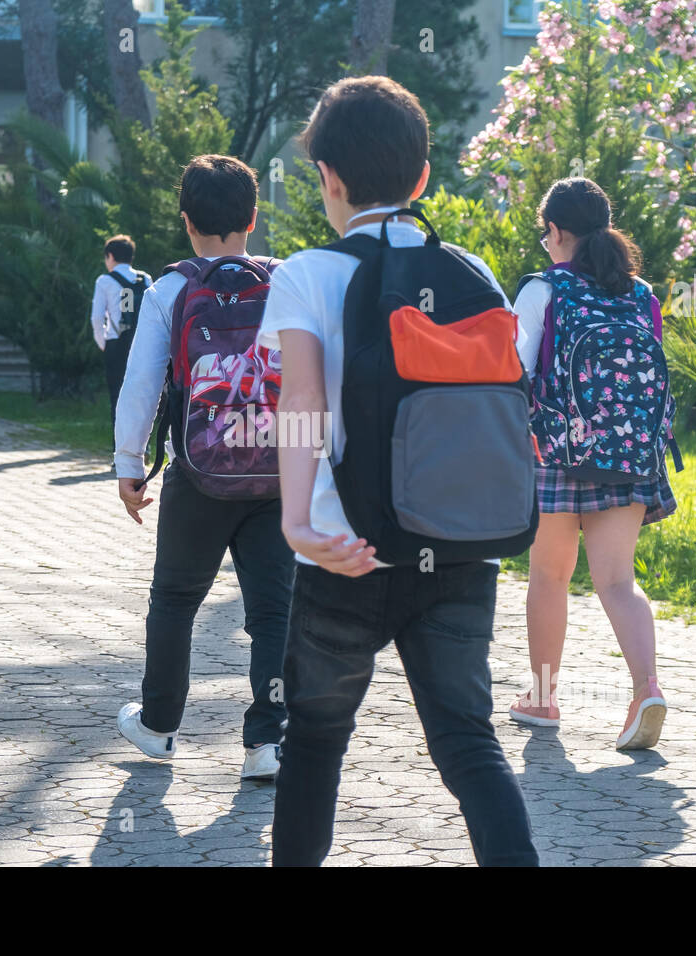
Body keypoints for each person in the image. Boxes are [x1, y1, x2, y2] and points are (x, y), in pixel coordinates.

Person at [257, 76, 539, 866]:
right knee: (469, 747)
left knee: (313, 743)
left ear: (328, 179)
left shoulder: (308, 273)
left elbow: (303, 401)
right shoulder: (472, 270)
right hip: (458, 547)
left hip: (346, 550)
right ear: (422, 179)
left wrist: (295, 522)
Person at [113, 155, 293, 782]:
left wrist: (129, 464)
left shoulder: (170, 289)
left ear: (186, 222)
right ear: (252, 216)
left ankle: (159, 726)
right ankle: (267, 743)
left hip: (198, 470)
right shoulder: (289, 281)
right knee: (276, 612)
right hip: (276, 471)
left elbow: (142, 385)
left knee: (175, 599)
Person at [508, 177, 678, 751]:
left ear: (556, 231)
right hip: (630, 455)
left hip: (557, 453)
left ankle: (543, 697)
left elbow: (512, 371)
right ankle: (645, 689)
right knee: (618, 582)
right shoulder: (641, 293)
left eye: (545, 233)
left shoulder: (543, 290)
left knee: (550, 576)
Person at [91, 235, 151, 424]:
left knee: (117, 396)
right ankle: (143, 446)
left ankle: (121, 447)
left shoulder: (104, 281)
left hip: (116, 344)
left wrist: (105, 344)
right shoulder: (145, 279)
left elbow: (97, 317)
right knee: (142, 395)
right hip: (141, 344)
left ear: (110, 256)